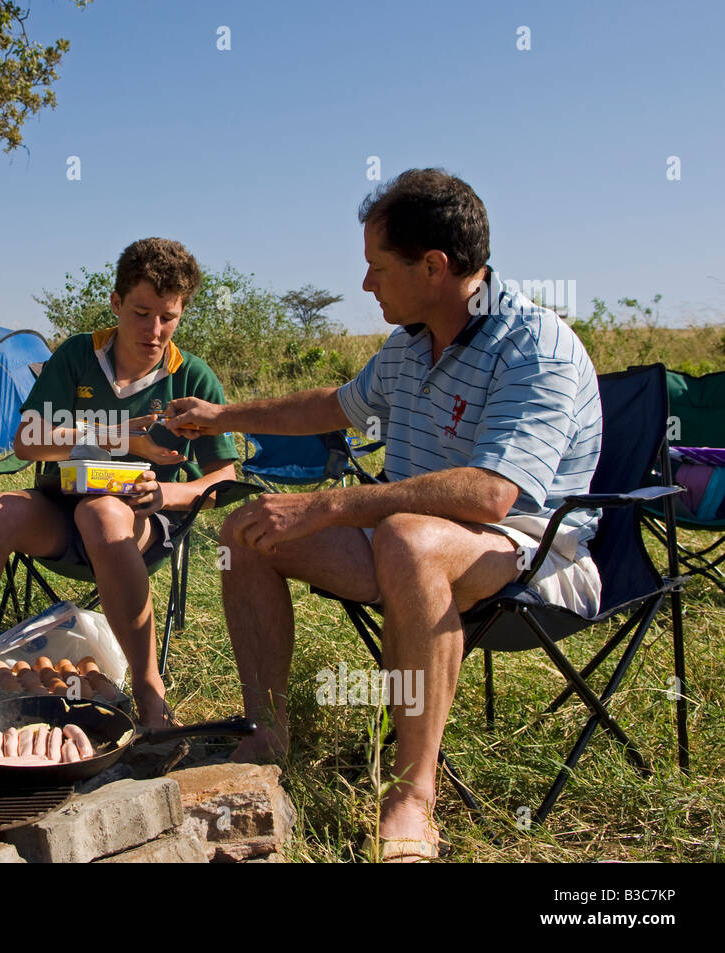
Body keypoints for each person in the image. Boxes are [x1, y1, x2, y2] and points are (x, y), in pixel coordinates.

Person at [165, 169, 602, 860]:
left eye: (377, 267)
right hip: (401, 538)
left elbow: (493, 495)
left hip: (531, 552)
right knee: (249, 528)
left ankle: (412, 793)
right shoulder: (410, 341)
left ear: (434, 267)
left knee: (407, 538)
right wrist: (224, 414)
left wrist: (335, 503)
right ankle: (269, 732)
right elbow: (331, 407)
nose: (366, 284)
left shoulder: (533, 347)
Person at [0, 238, 239, 730]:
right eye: (141, 313)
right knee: (0, 512)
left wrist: (167, 493)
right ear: (116, 304)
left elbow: (224, 477)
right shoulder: (79, 355)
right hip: (60, 511)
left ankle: (147, 688)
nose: (155, 331)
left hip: (141, 522)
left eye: (169, 317)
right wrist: (115, 437)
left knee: (101, 512)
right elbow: (29, 441)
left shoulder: (192, 378)